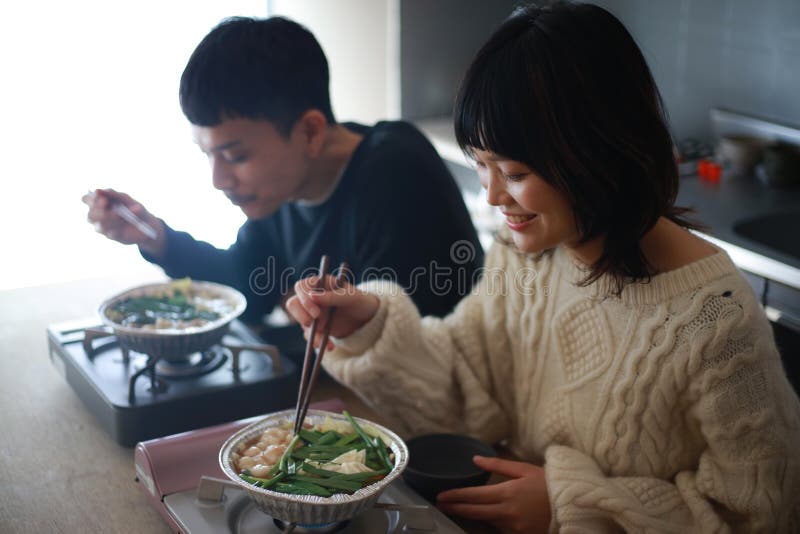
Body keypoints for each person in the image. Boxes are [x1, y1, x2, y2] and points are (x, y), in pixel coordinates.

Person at [285, 3, 800, 532]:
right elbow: (469, 378)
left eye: (515, 171)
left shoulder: (716, 321)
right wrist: (366, 325)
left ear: (595, 150)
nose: (492, 195)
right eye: (481, 166)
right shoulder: (530, 256)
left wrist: (574, 506)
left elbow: (760, 513)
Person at [83, 16, 483, 326]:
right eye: (207, 155)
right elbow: (248, 283)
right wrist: (157, 239)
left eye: (235, 156)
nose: (218, 180)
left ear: (309, 131)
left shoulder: (395, 174)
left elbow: (392, 340)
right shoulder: (284, 186)